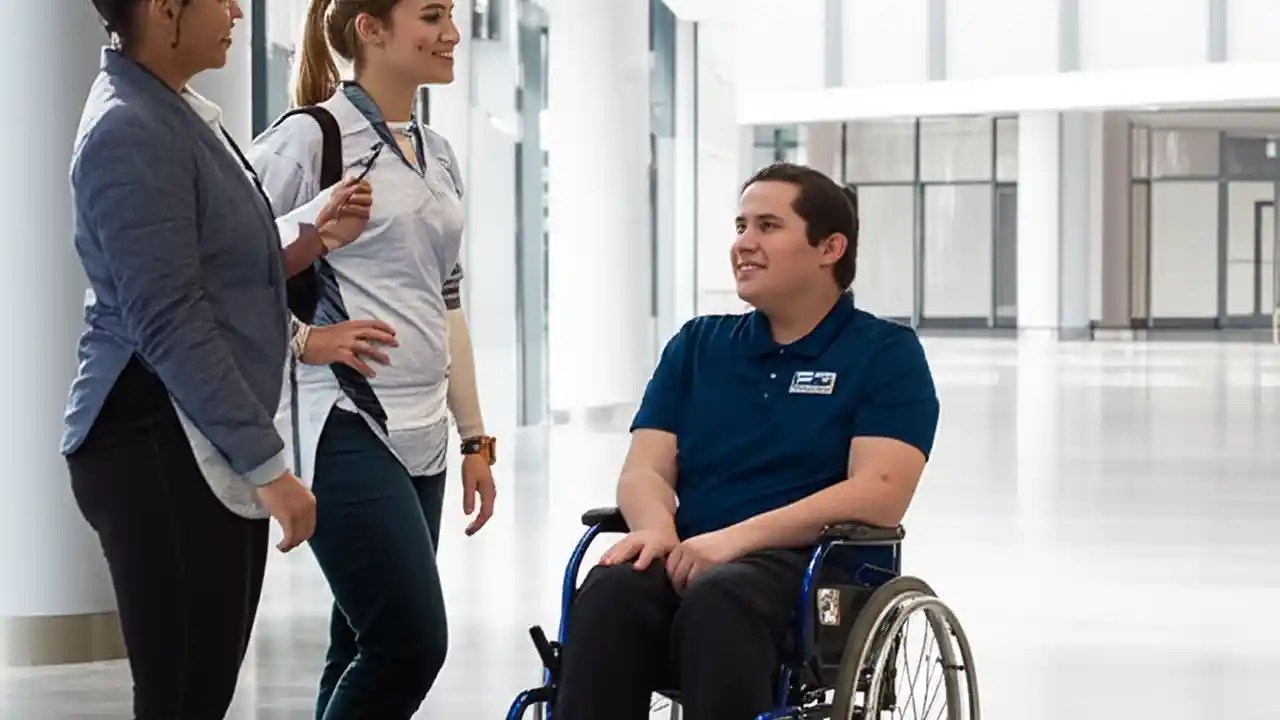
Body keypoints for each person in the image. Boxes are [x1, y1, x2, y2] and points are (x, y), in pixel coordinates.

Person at [65, 1, 373, 718]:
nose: (238, 10)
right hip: (151, 435)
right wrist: (271, 470)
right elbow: (170, 319)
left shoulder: (172, 109)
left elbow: (216, 273)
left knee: (200, 691)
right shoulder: (129, 130)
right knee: (182, 696)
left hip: (188, 429)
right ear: (164, 9)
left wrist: (309, 241)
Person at [554, 163, 941, 720]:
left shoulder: (885, 353)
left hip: (809, 566)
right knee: (612, 591)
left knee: (723, 598)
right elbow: (645, 469)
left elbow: (880, 492)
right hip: (691, 552)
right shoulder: (698, 344)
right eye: (740, 227)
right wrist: (657, 529)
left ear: (830, 247)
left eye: (767, 226)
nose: (744, 244)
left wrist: (733, 541)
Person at [246, 1, 497, 717]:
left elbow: (445, 300)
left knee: (360, 641)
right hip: (342, 420)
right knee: (409, 641)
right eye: (431, 14)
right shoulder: (309, 137)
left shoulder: (437, 151)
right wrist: (304, 339)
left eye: (451, 14)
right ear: (372, 28)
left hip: (425, 432)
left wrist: (474, 436)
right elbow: (227, 267)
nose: (451, 32)